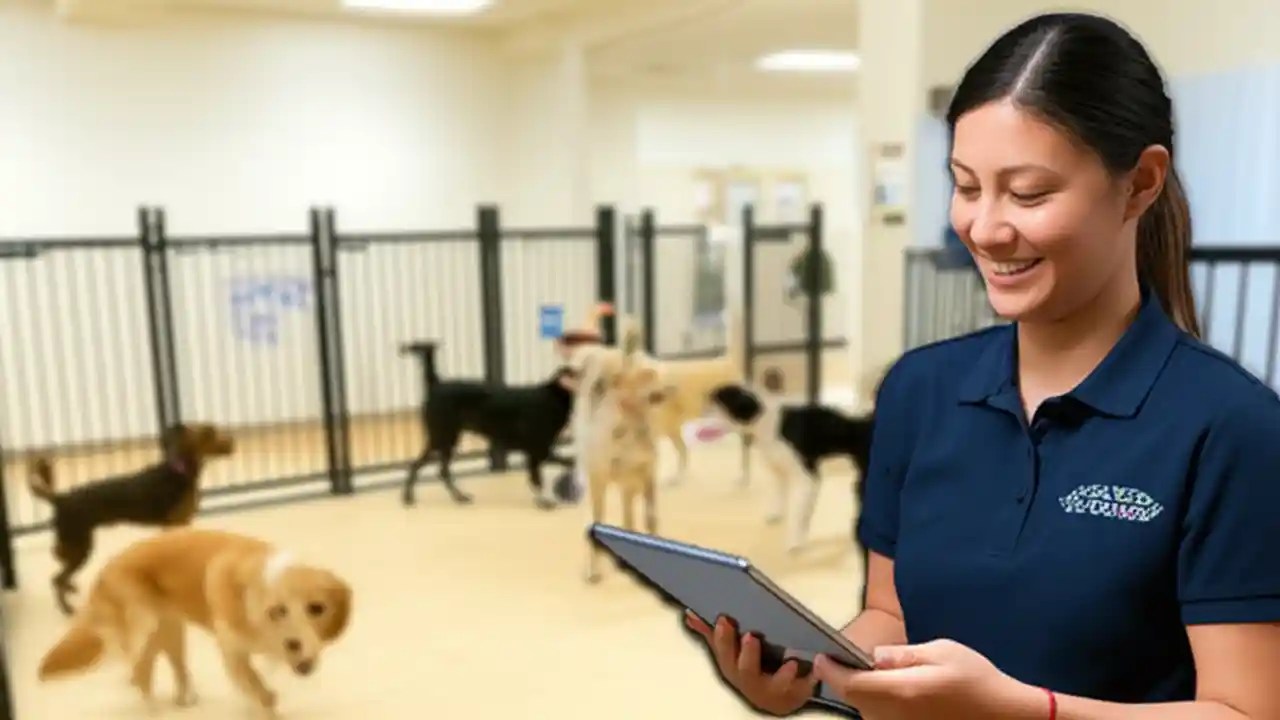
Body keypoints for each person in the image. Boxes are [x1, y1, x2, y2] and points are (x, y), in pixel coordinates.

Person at [685, 12, 1280, 719]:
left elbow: (1245, 711)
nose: (985, 228)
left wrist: (1023, 709)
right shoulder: (918, 390)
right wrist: (809, 673)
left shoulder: (1233, 429)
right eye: (967, 187)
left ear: (1141, 184)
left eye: (1028, 193)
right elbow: (892, 620)